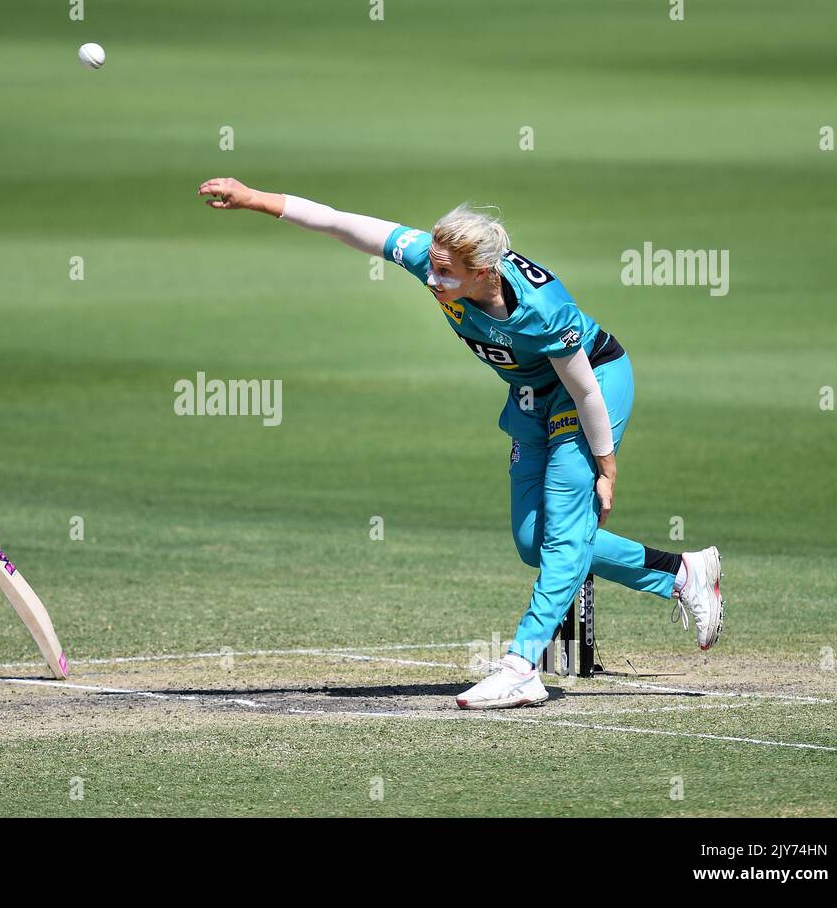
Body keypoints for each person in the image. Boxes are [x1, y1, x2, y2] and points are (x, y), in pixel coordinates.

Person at [197, 177, 725, 710]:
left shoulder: (542, 308)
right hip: (530, 395)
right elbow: (343, 223)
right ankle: (681, 571)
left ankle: (521, 668)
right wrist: (255, 199)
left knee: (565, 533)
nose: (432, 277)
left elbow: (585, 388)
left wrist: (606, 468)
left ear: (483, 272)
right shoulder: (435, 255)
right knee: (532, 541)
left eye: (446, 272)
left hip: (590, 388)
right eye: (433, 264)